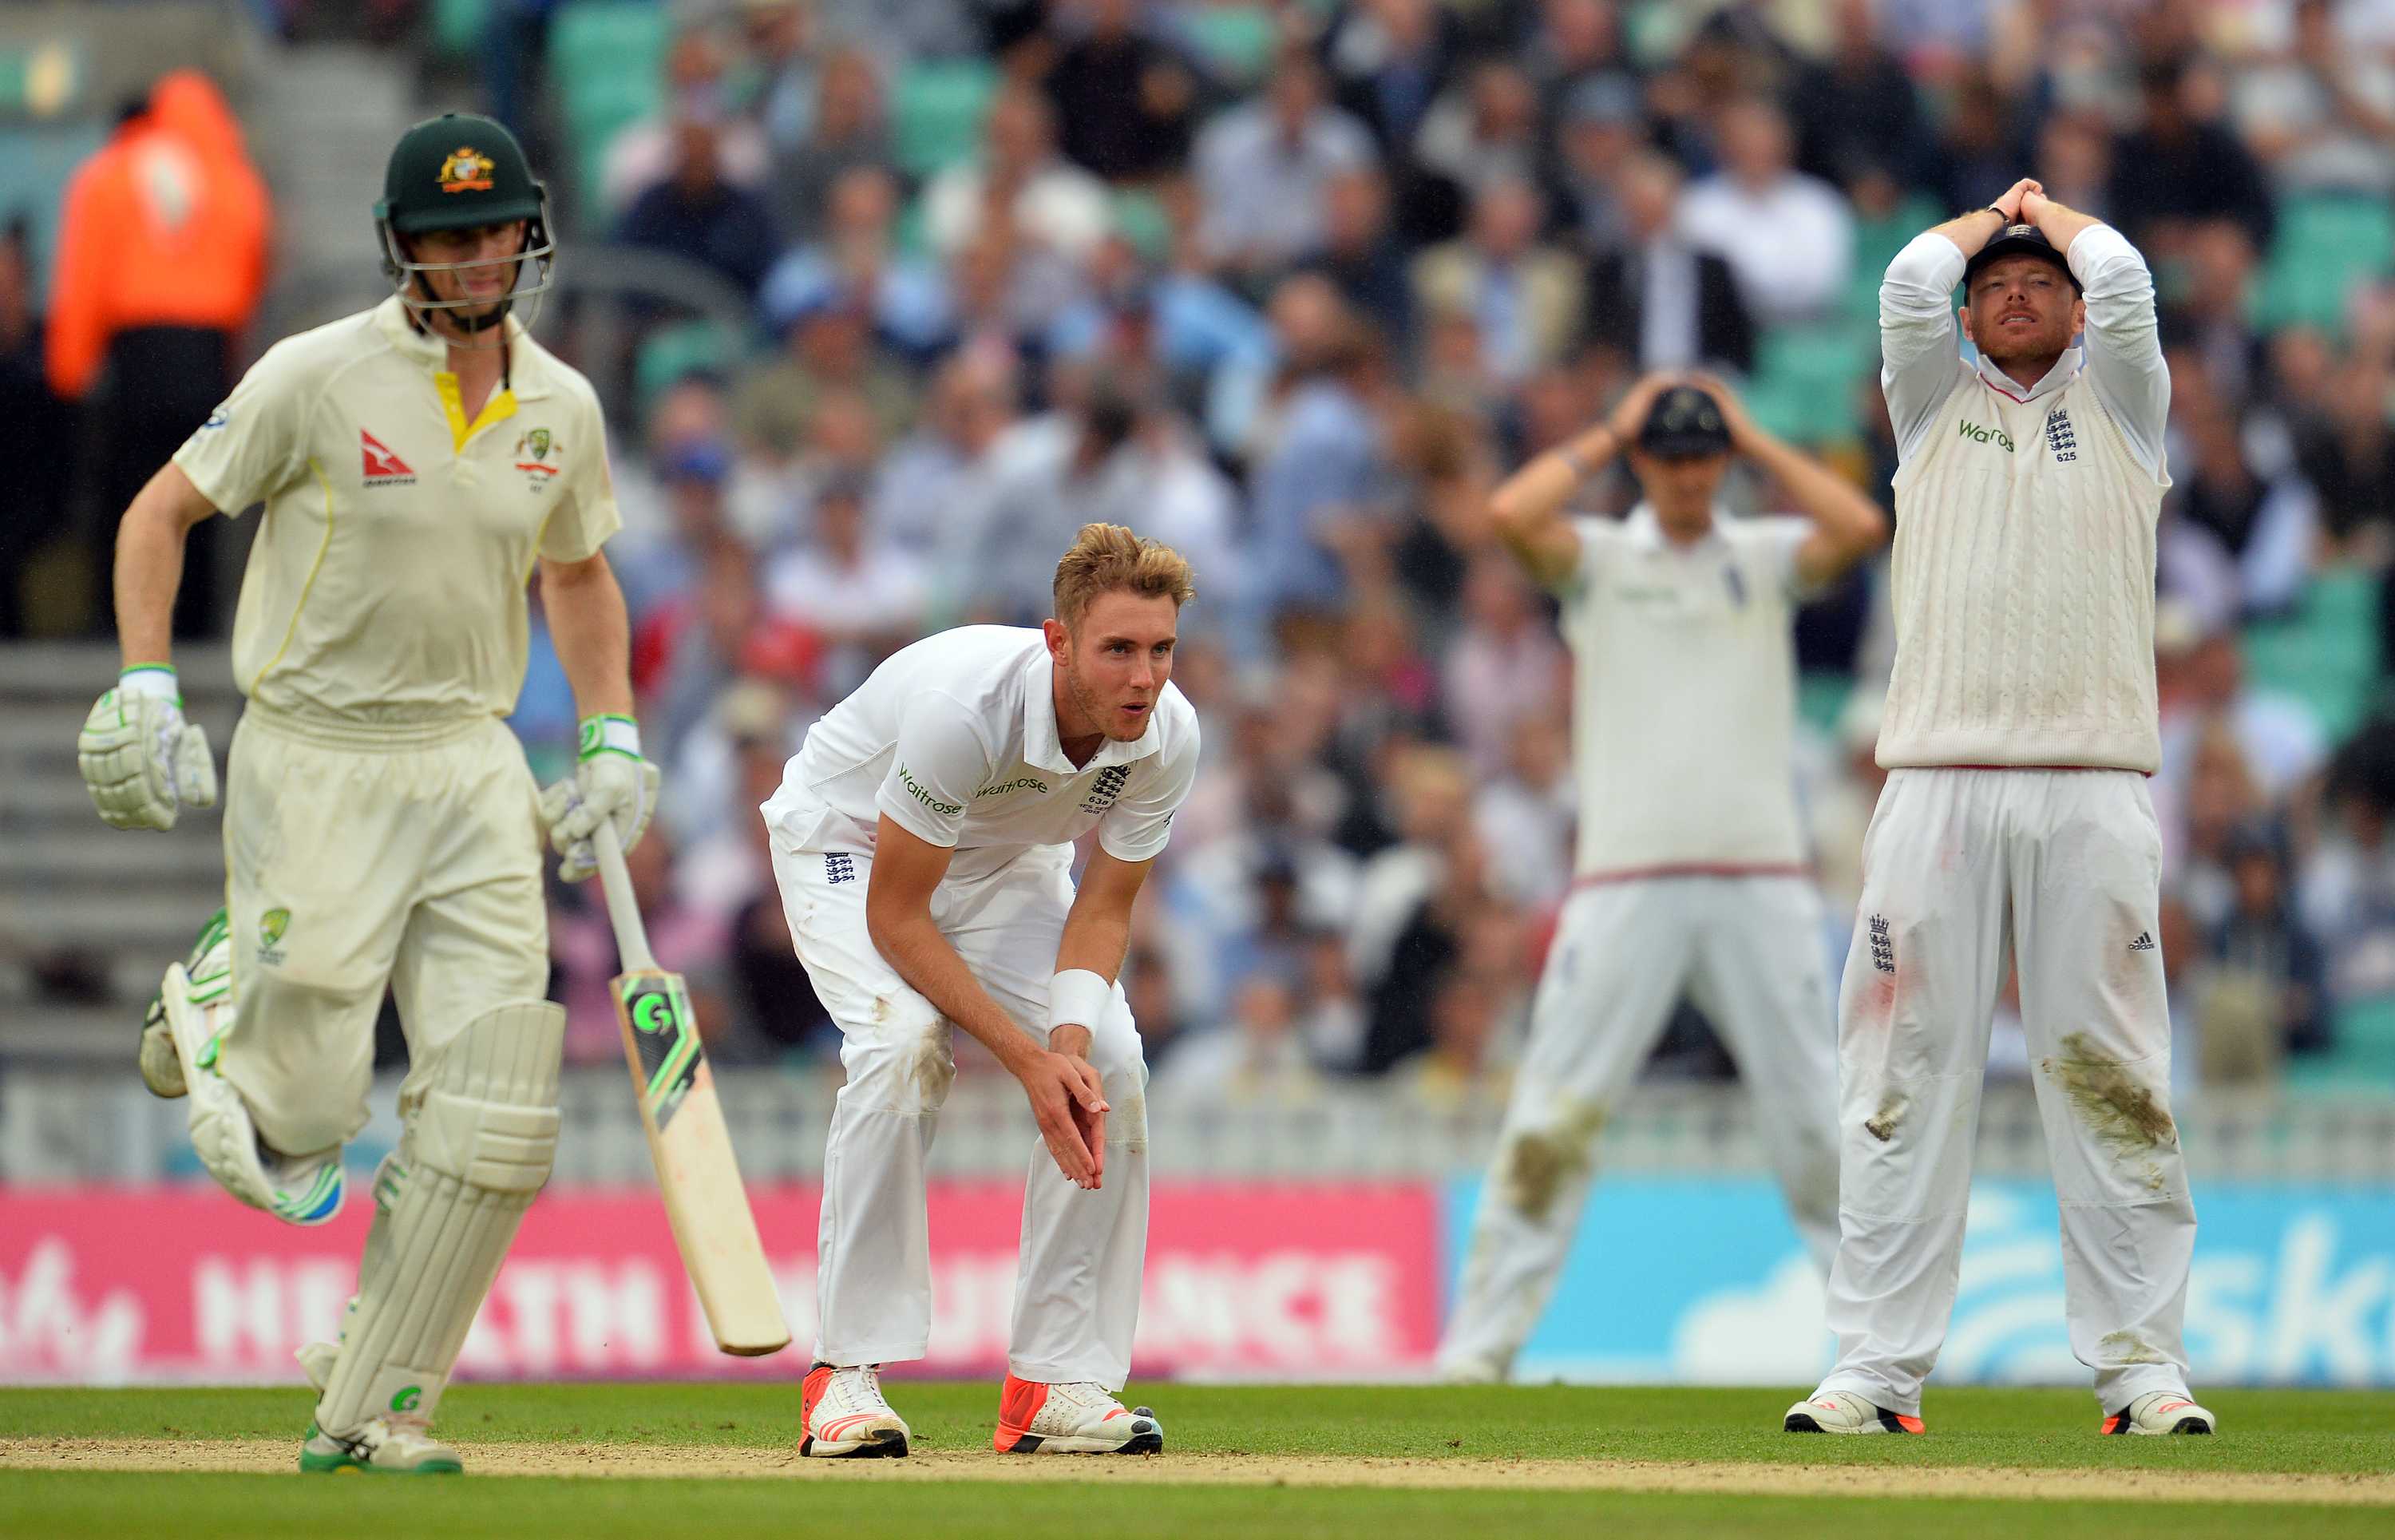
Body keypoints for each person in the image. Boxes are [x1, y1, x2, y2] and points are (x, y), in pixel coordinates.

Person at [73, 114, 651, 1473]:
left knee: (497, 1100)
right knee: (303, 1123)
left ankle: (378, 1397)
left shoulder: (562, 403)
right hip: (317, 748)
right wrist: (148, 680)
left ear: (529, 233)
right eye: (448, 236)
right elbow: (159, 512)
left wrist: (613, 736)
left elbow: (578, 572)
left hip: (469, 757)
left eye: (493, 228)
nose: (474, 255)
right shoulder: (314, 375)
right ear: (404, 247)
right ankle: (223, 996)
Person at [1787, 179, 2215, 1438]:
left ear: (2080, 315)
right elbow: (1906, 285)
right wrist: (1995, 217)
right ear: (1970, 319)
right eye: (1995, 285)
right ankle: (1874, 1368)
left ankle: (2143, 1370)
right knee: (1903, 1072)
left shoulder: (2129, 406)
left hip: (2092, 786)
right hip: (1936, 785)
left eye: (2040, 279)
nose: (2013, 288)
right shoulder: (1931, 408)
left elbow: (2131, 280)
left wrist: (2051, 212)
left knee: (2114, 1075)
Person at [1436, 372, 1886, 1384]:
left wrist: (1750, 433)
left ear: (1720, 463)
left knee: (1814, 1121)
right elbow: (1510, 513)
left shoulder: (1764, 557)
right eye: (1672, 456)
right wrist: (1611, 426)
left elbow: (1860, 525)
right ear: (1647, 461)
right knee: (1554, 1113)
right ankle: (1477, 1351)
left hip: (1759, 879)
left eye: (1701, 458)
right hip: (1626, 882)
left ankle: (1879, 1349)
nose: (1688, 477)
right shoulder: (1600, 561)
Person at [761, 523, 1200, 1458]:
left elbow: (1105, 910)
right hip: (851, 849)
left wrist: (1067, 1055)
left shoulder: (1168, 734)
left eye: (1160, 650)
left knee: (1113, 1064)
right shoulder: (967, 707)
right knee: (901, 1044)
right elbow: (900, 916)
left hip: (1008, 867)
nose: (1142, 678)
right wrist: (1023, 1059)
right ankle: (843, 1376)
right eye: (1117, 649)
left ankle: (1055, 1382)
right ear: (1059, 641)